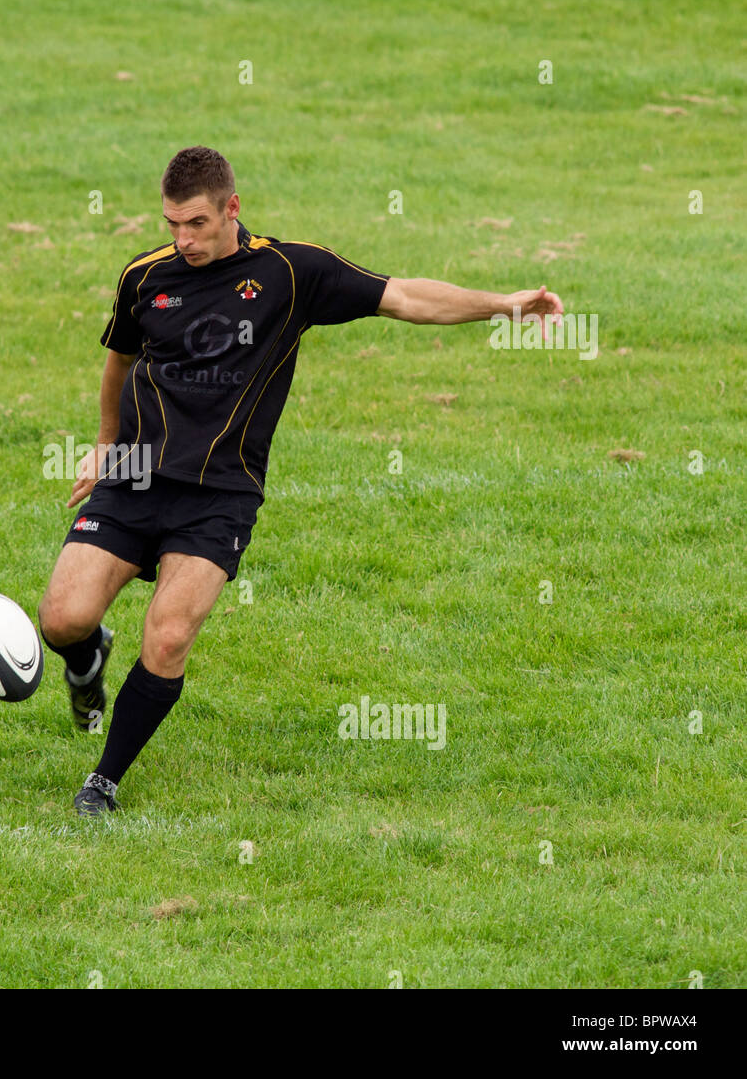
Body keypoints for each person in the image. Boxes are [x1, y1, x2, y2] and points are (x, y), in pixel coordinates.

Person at [36, 146, 562, 816]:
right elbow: (119, 362)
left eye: (195, 223)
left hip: (219, 495)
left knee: (168, 637)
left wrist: (502, 305)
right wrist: (105, 445)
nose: (182, 239)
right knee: (62, 619)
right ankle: (85, 659)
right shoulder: (145, 278)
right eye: (171, 223)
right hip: (135, 478)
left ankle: (103, 781)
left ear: (232, 208)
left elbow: (403, 296)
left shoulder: (291, 272)